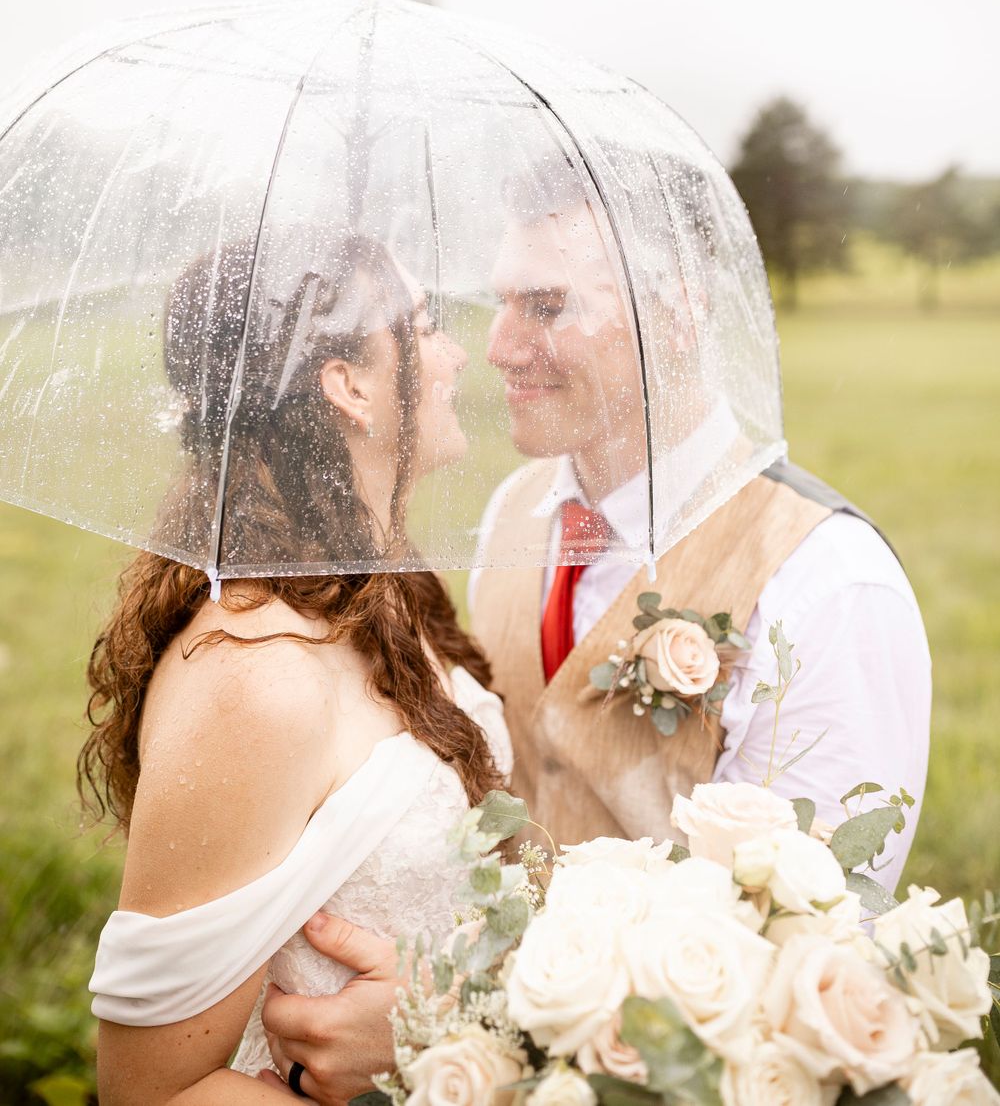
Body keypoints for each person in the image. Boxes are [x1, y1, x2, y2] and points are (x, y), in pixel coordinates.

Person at [261, 148, 932, 1106]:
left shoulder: (829, 584)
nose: (495, 345)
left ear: (681, 309)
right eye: (498, 302)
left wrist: (443, 1014)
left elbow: (808, 965)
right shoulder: (510, 513)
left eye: (546, 306)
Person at [83, 230, 512, 1105]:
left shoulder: (387, 596)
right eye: (425, 328)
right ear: (348, 385)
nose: (459, 354)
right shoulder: (259, 676)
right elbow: (151, 1091)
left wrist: (461, 1032)